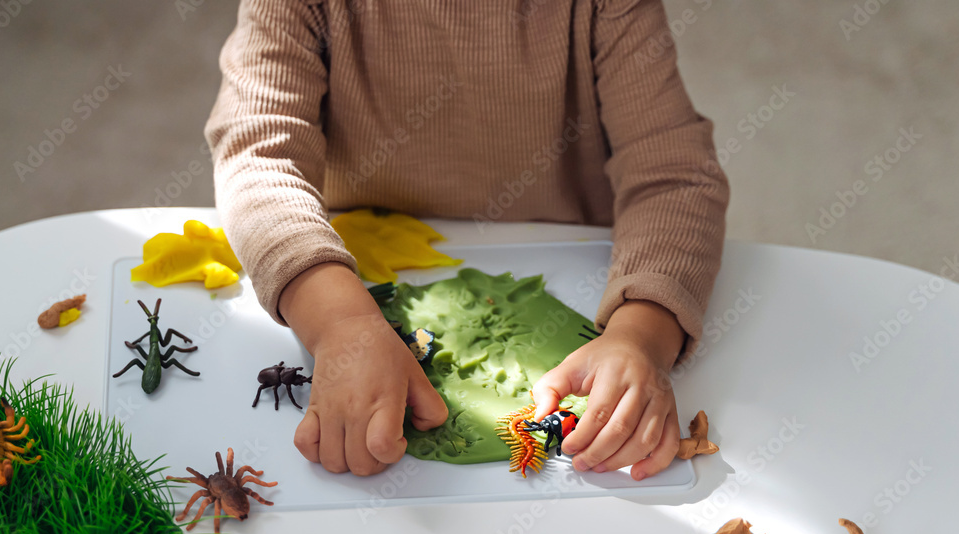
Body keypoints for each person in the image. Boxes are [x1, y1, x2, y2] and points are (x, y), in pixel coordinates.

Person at [205, 0, 729, 480]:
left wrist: (641, 336)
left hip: (574, 251)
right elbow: (258, 156)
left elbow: (675, 175)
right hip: (354, 251)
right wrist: (338, 322)